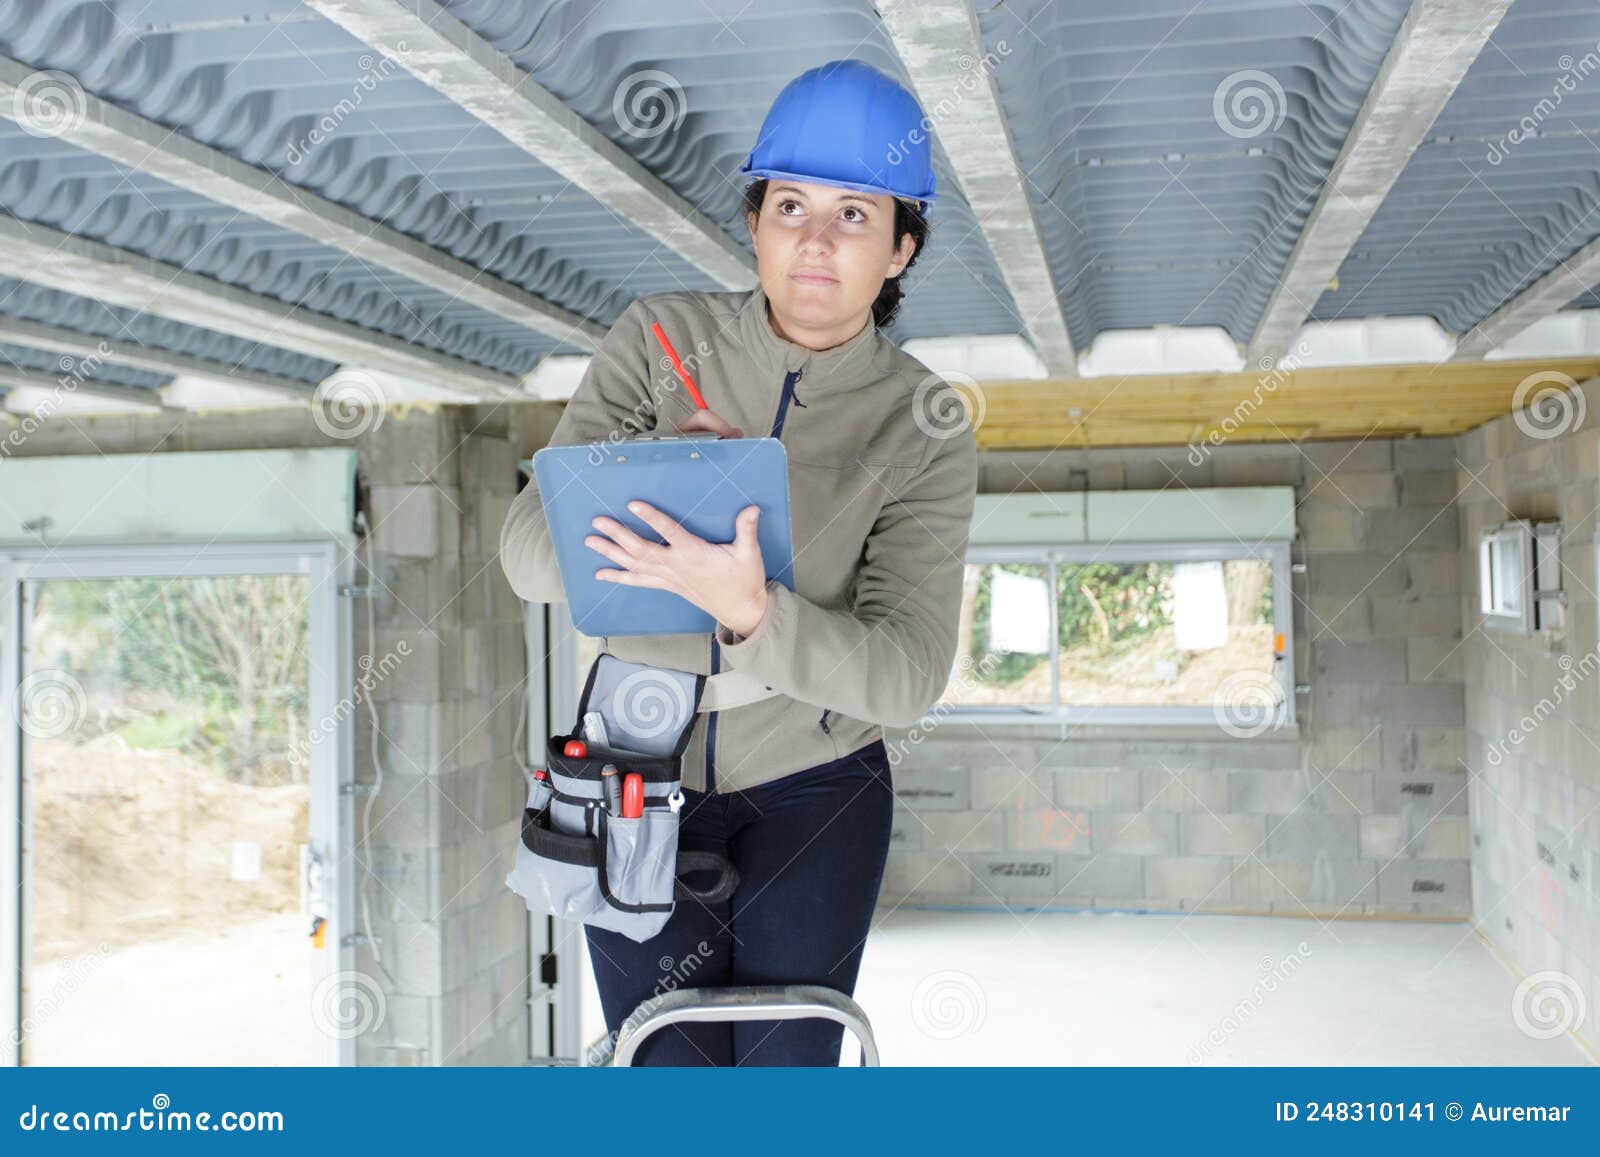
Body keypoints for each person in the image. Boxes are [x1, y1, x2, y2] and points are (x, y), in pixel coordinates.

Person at [500, 58, 978, 1066]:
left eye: (855, 214)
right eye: (790, 204)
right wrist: (660, 477)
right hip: (631, 764)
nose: (814, 239)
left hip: (816, 780)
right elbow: (528, 556)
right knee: (661, 1066)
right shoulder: (656, 340)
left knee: (782, 1078)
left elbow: (907, 673)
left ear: (902, 247)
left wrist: (757, 615)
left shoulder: (924, 422)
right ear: (755, 221)